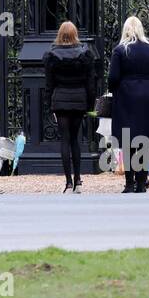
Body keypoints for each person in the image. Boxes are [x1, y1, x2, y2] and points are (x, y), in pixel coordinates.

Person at [108, 15, 149, 193]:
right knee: (144, 140)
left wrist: (116, 88)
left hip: (126, 96)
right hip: (147, 95)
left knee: (127, 140)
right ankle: (142, 182)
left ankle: (129, 182)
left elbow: (113, 77)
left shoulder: (120, 50)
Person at [43, 21, 96, 193]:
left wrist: (49, 104)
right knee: (75, 139)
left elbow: (49, 84)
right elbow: (90, 82)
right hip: (79, 97)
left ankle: (68, 182)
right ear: (75, 34)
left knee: (64, 140)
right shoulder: (84, 54)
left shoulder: (52, 55)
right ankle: (78, 179)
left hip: (60, 98)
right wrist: (90, 104)